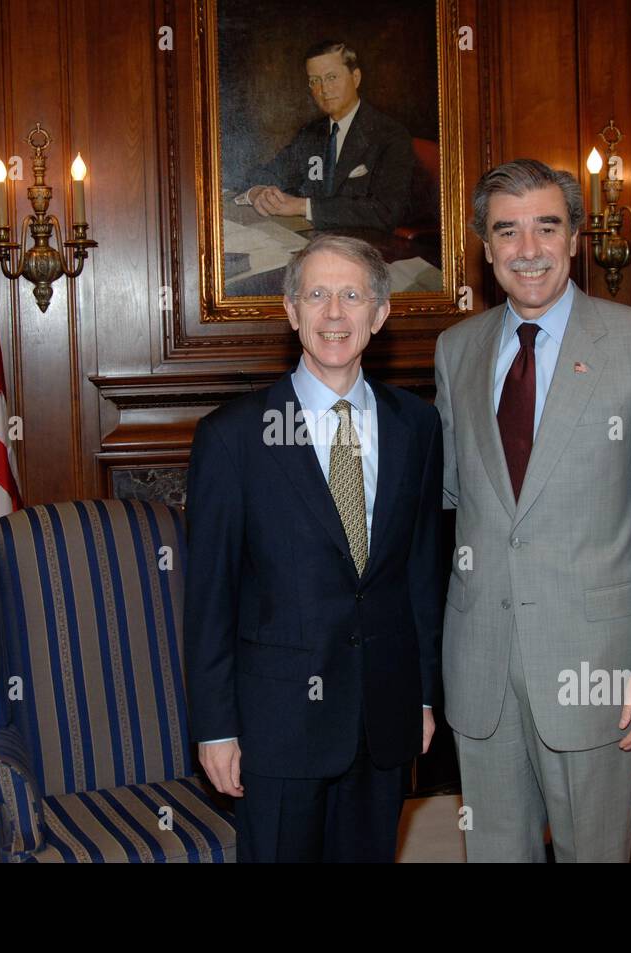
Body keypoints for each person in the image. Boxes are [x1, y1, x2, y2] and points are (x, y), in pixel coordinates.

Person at [433, 159, 631, 862]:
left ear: (576, 237)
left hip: (599, 665)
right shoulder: (454, 350)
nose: (528, 249)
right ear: (485, 249)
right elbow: (454, 497)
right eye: (507, 231)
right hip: (480, 659)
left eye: (546, 228)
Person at [185, 234, 443, 862]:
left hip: (382, 714)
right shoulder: (233, 437)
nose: (335, 313)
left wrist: (425, 695)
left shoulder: (417, 425)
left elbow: (422, 571)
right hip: (277, 725)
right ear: (291, 310)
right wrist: (216, 727)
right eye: (318, 295)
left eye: (352, 296)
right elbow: (208, 598)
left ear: (379, 315)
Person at [236, 40, 415, 232]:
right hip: (313, 240)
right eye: (315, 81)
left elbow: (387, 212)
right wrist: (258, 192)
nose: (324, 90)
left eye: (331, 77)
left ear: (355, 78)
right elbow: (269, 172)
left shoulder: (391, 135)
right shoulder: (311, 133)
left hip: (366, 244)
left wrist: (302, 206)